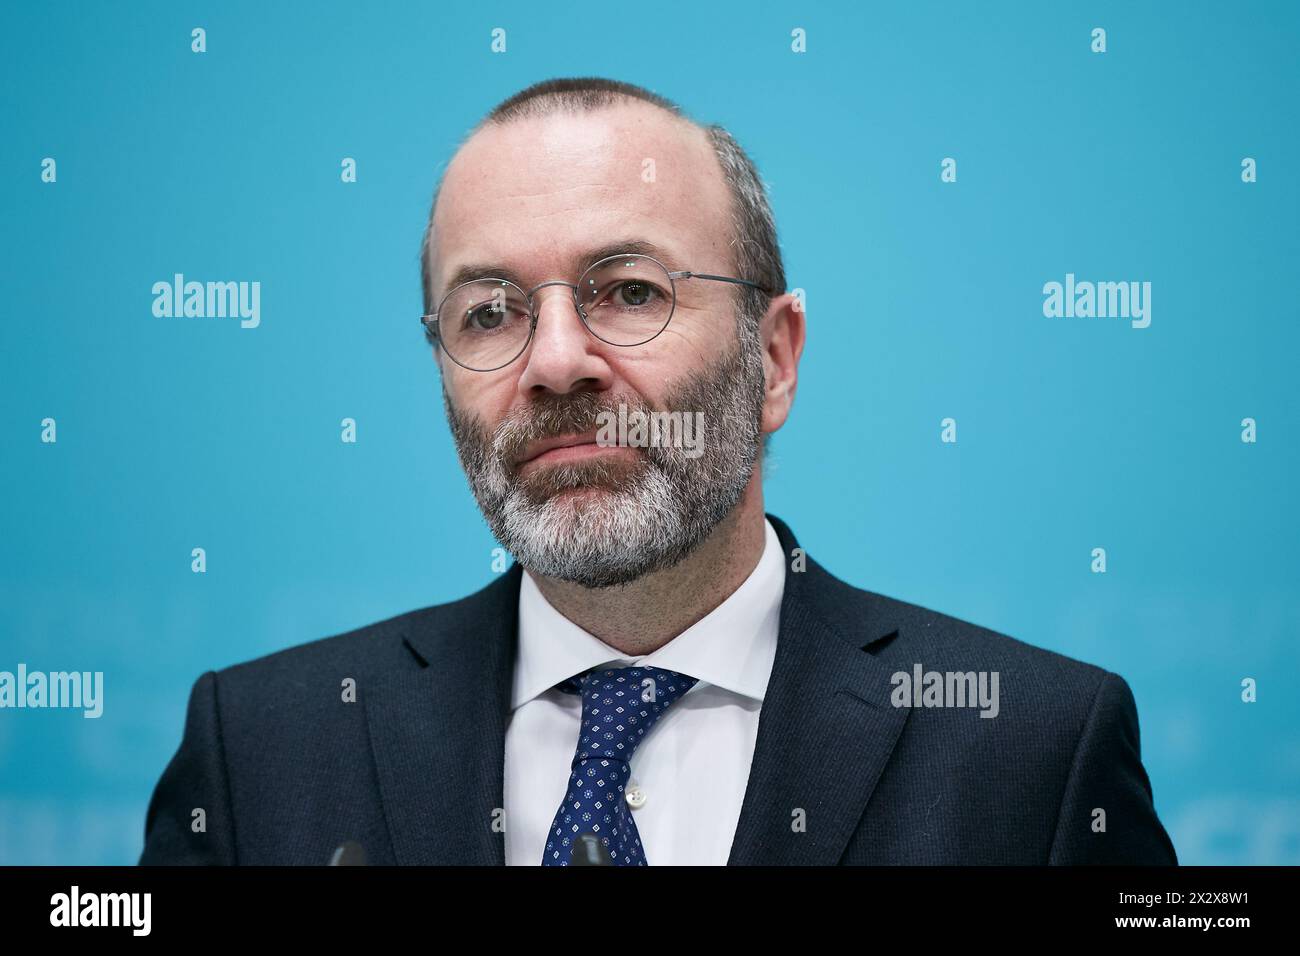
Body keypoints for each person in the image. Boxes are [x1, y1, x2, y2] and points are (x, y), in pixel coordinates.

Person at [139, 77, 1177, 866]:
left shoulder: (1034, 749)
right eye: (488, 311)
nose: (554, 363)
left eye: (627, 290)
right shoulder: (260, 750)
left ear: (772, 359)